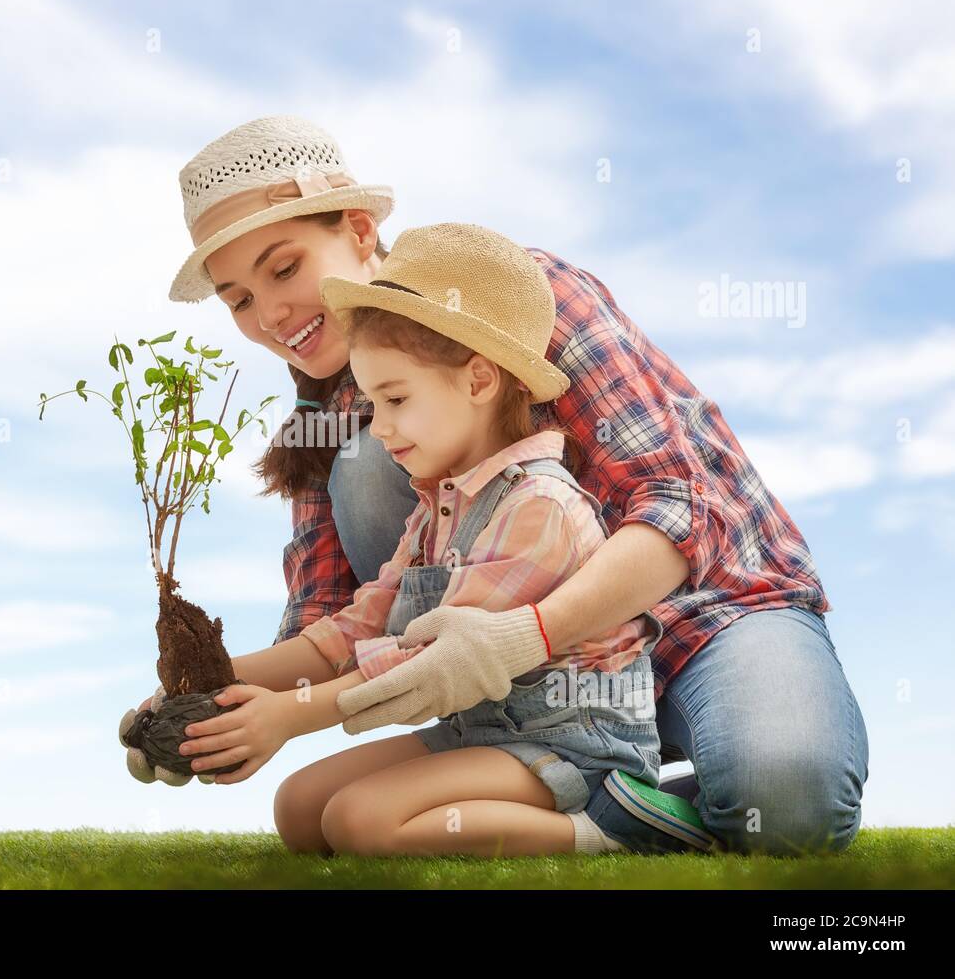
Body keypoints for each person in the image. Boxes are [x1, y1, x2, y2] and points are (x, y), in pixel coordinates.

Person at [122, 114, 868, 856]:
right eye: (240, 299)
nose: (272, 314)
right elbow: (341, 619)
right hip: (513, 693)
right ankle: (593, 790)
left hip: (705, 614)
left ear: (356, 230)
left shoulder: (515, 300)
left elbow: (674, 509)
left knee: (787, 803)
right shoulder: (336, 416)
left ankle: (618, 811)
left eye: (283, 268)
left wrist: (518, 636)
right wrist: (210, 698)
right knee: (362, 467)